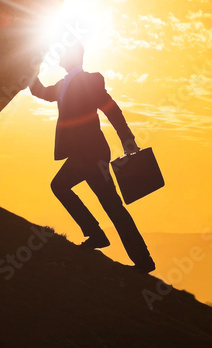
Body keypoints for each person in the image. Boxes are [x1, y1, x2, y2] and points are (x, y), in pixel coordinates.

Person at [29, 42, 155, 272]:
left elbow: (112, 109)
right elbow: (42, 92)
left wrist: (127, 140)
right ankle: (141, 259)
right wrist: (29, 71)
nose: (59, 56)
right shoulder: (63, 84)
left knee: (61, 186)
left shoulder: (90, 80)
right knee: (112, 206)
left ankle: (98, 235)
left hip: (92, 154)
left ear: (73, 57)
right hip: (83, 153)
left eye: (62, 52)